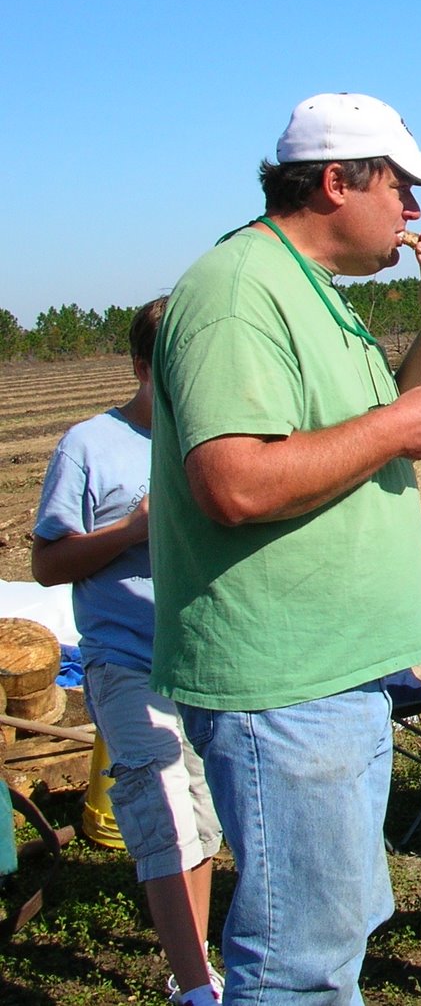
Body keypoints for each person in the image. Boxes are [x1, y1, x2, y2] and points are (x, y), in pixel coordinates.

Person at [148, 93, 421, 1004]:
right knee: (297, 964)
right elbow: (234, 482)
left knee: (330, 935)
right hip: (286, 682)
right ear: (337, 182)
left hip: (341, 673)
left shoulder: (315, 295)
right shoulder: (234, 293)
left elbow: (385, 428)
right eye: (401, 187)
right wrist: (393, 423)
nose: (415, 211)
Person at [32, 297, 224, 1006]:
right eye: (172, 369)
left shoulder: (209, 440)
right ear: (142, 366)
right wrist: (132, 529)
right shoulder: (88, 445)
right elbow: (49, 562)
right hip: (125, 657)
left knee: (200, 819)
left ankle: (192, 966)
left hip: (203, 658)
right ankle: (198, 991)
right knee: (161, 808)